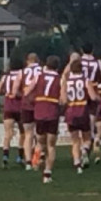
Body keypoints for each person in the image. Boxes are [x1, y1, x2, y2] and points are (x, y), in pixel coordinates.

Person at [25, 56, 62, 184]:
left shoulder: (38, 76)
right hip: (52, 112)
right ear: (57, 66)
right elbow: (63, 99)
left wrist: (33, 100)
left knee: (40, 141)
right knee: (51, 145)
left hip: (39, 111)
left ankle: (35, 162)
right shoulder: (59, 79)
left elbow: (27, 91)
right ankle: (47, 174)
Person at [62, 57, 98, 174]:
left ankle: (77, 164)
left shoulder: (66, 82)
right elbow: (93, 97)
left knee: (75, 141)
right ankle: (84, 150)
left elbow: (63, 100)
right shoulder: (86, 80)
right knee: (87, 138)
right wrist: (98, 98)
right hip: (83, 111)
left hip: (71, 112)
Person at [0, 56, 25, 168]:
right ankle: (20, 157)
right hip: (20, 107)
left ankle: (5, 157)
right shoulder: (22, 75)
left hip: (8, 106)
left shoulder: (5, 77)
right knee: (23, 133)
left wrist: (5, 91)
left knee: (8, 133)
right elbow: (20, 92)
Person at [21, 53, 42, 170]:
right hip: (39, 104)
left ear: (27, 61)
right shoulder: (42, 71)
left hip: (26, 104)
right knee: (40, 136)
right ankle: (36, 160)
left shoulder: (22, 72)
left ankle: (28, 162)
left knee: (28, 134)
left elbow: (15, 89)